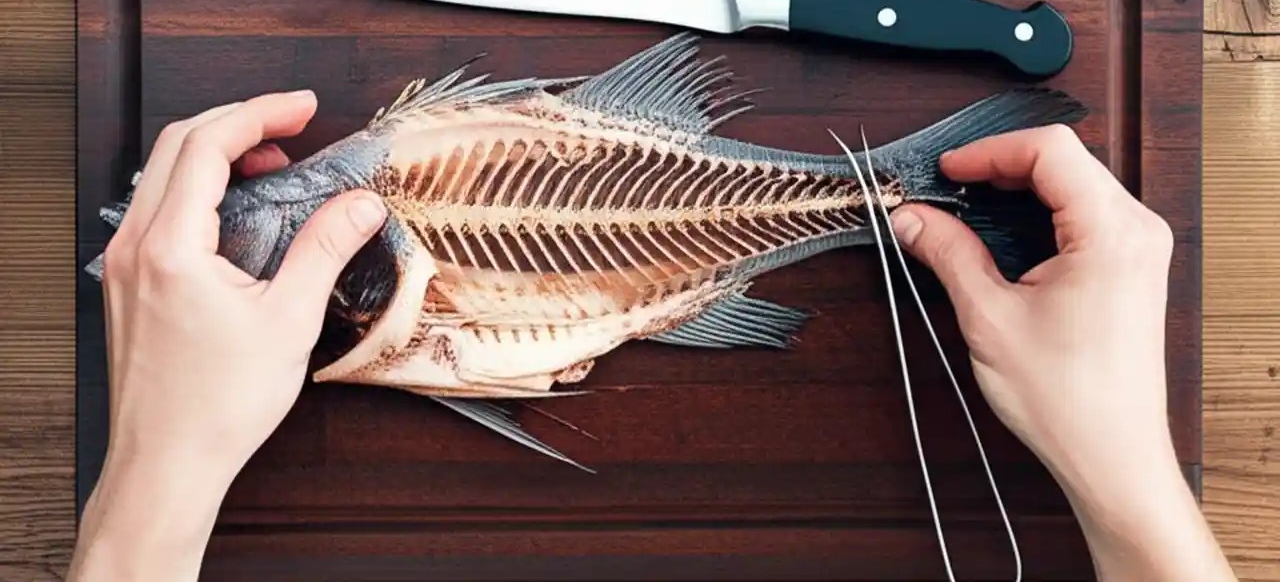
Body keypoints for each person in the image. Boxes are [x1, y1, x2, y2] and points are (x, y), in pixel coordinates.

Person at [65, 90, 1237, 582]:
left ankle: (888, 192)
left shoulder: (387, 178)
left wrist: (148, 488)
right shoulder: (374, 206)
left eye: (223, 229)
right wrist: (1131, 475)